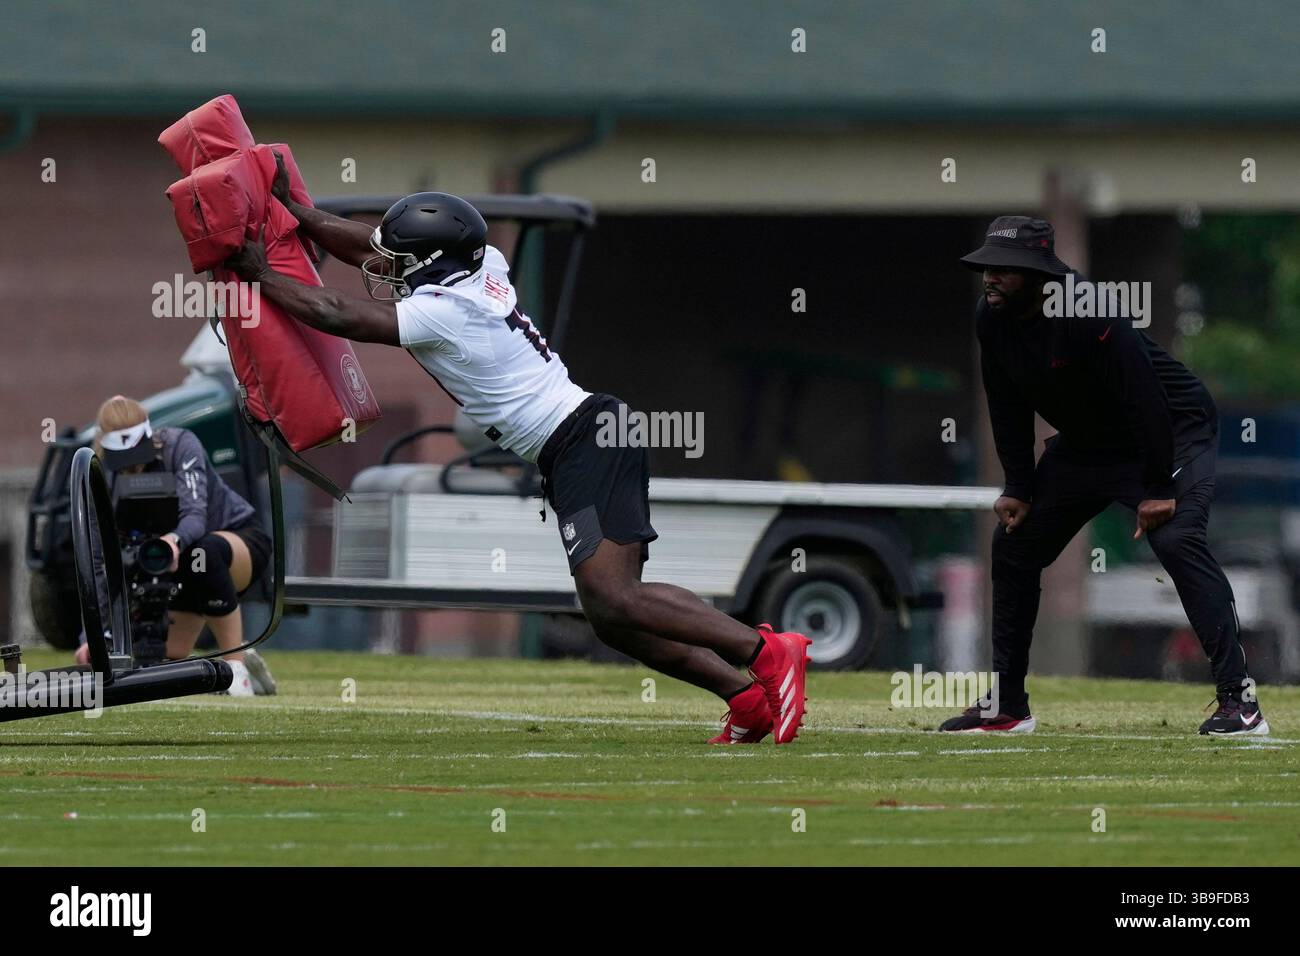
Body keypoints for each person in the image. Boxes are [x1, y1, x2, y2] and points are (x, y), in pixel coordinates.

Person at [221, 153, 810, 743]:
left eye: (403, 259)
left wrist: (260, 276)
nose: (387, 265)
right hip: (581, 438)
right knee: (611, 616)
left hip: (583, 437)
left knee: (617, 596)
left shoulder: (443, 310)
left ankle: (765, 651)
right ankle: (746, 698)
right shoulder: (482, 264)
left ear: (429, 262)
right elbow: (371, 247)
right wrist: (297, 212)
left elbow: (335, 310)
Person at [942, 216, 1265, 736]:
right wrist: (1019, 486)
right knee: (1015, 546)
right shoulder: (992, 318)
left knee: (1179, 541)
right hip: (1089, 445)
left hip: (1169, 431)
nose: (990, 278)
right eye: (987, 268)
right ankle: (1008, 705)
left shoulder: (1088, 309)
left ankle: (1240, 704)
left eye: (1004, 269)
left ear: (1039, 273)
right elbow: (1005, 403)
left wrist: (1160, 488)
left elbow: (1147, 398)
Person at [75, 395, 277, 697]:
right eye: (125, 465)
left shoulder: (180, 445)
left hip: (233, 545)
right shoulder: (99, 473)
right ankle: (248, 664)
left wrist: (173, 541)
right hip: (174, 566)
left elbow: (195, 516)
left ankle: (235, 666)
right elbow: (97, 560)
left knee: (202, 553)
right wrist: (90, 636)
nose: (134, 470)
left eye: (138, 459)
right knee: (168, 662)